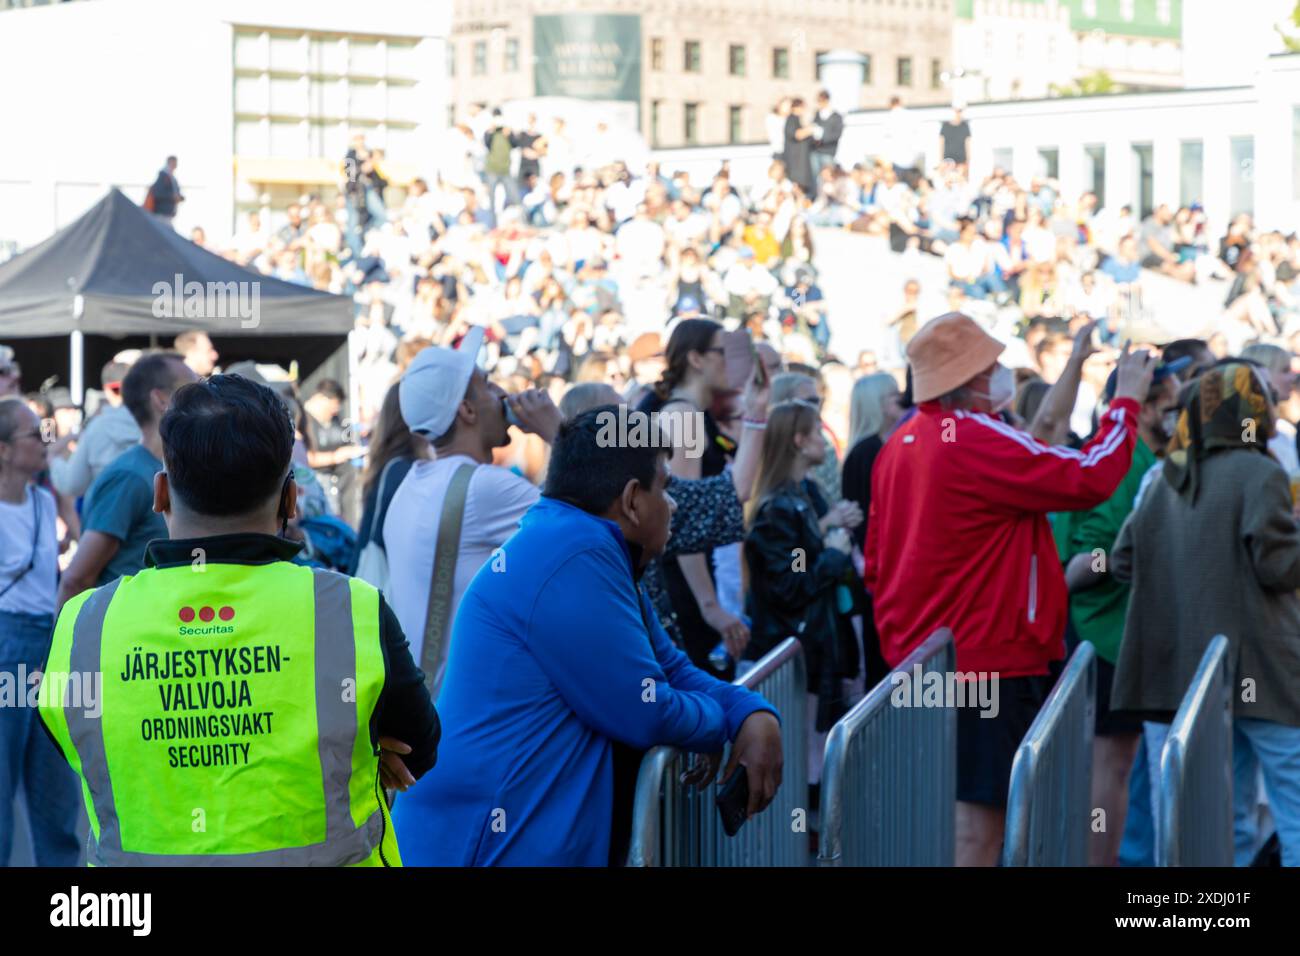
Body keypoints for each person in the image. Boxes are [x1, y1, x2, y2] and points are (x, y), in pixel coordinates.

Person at [37, 374, 439, 865]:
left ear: (160, 492)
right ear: (291, 501)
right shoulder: (350, 608)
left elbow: (76, 748)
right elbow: (419, 750)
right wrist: (367, 747)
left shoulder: (85, 624)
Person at [392, 406, 784, 866]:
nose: (673, 504)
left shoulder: (585, 543)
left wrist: (750, 712)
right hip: (478, 845)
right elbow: (645, 709)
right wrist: (721, 726)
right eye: (666, 487)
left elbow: (671, 669)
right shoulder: (572, 553)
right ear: (633, 500)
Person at [866, 312, 1154, 866]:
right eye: (989, 365)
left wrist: (1073, 364)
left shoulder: (903, 441)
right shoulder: (971, 438)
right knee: (980, 828)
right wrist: (1127, 402)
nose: (1000, 373)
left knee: (944, 819)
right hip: (987, 662)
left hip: (925, 660)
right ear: (966, 378)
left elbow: (877, 561)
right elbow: (1088, 475)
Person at [1109, 361, 1300, 867]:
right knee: (1294, 802)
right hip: (1262, 670)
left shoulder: (1162, 478)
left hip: (1187, 674)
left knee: (1220, 815)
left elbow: (1123, 560)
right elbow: (1279, 566)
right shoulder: (1260, 473)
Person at [384, 329, 562, 699]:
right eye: (487, 384)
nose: (502, 393)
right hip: (479, 714)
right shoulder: (484, 488)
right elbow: (589, 530)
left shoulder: (410, 485)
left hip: (432, 711)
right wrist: (558, 433)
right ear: (466, 410)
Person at [1054, 360, 1183, 866]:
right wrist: (1130, 554)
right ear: (1146, 408)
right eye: (1170, 406)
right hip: (1105, 640)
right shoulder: (1124, 460)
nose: (1179, 417)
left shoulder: (1144, 456)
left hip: (1123, 638)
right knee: (1109, 768)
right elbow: (1081, 566)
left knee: (1119, 767)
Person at [637, 319, 748, 674]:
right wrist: (709, 605)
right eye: (722, 352)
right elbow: (683, 519)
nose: (731, 361)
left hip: (682, 581)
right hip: (680, 588)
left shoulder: (691, 413)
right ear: (697, 359)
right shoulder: (683, 416)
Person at [0, 398, 80, 866]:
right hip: (6, 641)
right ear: (5, 450)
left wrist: (65, 499)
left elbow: (75, 541)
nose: (46, 442)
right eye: (36, 435)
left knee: (56, 793)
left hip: (45, 642)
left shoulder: (45, 499)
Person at [56, 352, 198, 609]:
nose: (203, 397)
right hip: (126, 640)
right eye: (192, 388)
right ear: (161, 399)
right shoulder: (129, 477)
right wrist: (63, 647)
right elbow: (76, 579)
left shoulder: (169, 469)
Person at [47, 359, 140, 499]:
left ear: (108, 390)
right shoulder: (156, 423)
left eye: (73, 409)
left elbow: (72, 484)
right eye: (66, 409)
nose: (72, 413)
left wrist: (55, 458)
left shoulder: (94, 429)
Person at [810, 90, 843, 185]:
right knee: (816, 177)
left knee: (828, 177)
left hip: (828, 152)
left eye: (822, 101)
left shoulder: (836, 116)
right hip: (816, 151)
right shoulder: (817, 114)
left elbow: (837, 134)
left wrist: (823, 137)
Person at [147, 156, 184, 222]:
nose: (175, 165)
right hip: (161, 213)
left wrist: (180, 198)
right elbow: (158, 193)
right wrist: (172, 197)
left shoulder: (172, 178)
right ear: (169, 162)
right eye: (173, 163)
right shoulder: (163, 176)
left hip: (168, 213)